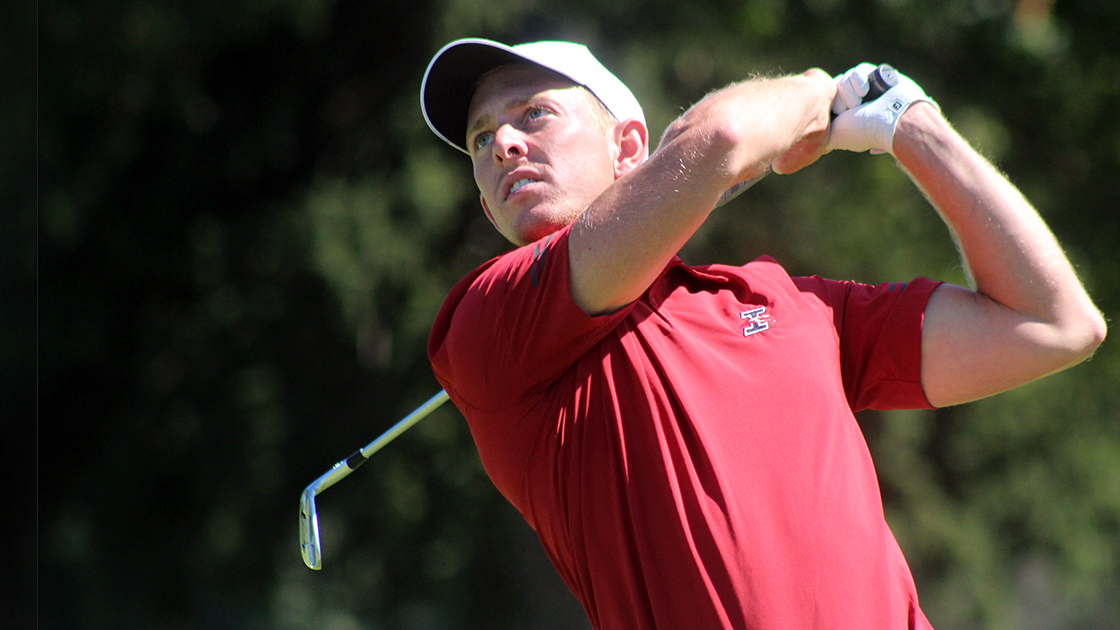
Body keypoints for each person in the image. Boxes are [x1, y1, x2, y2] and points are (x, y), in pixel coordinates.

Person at [420, 38, 1106, 630]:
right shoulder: (485, 327)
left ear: (628, 146)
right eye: (482, 140)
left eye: (533, 114)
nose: (503, 145)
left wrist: (909, 125)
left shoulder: (782, 301)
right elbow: (720, 138)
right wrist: (815, 94)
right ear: (485, 200)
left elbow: (1054, 324)